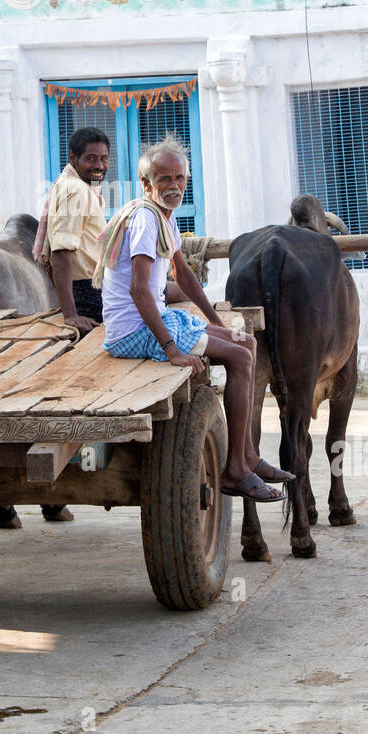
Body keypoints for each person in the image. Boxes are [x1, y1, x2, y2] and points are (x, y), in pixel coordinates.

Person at [94, 135, 292, 501]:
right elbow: (139, 290)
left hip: (150, 320)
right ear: (147, 184)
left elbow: (183, 275)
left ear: (187, 179)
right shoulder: (145, 220)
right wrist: (171, 349)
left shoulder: (164, 219)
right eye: (164, 179)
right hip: (133, 332)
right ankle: (235, 469)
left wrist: (215, 320)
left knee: (243, 341)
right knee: (242, 355)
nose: (173, 186)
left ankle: (247, 455)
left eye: (179, 178)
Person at [33, 125, 110, 335]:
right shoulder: (75, 190)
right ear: (73, 157)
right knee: (168, 291)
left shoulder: (75, 185)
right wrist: (70, 314)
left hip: (93, 287)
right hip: (90, 293)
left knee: (163, 288)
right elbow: (61, 251)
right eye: (91, 158)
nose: (99, 165)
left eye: (104, 158)